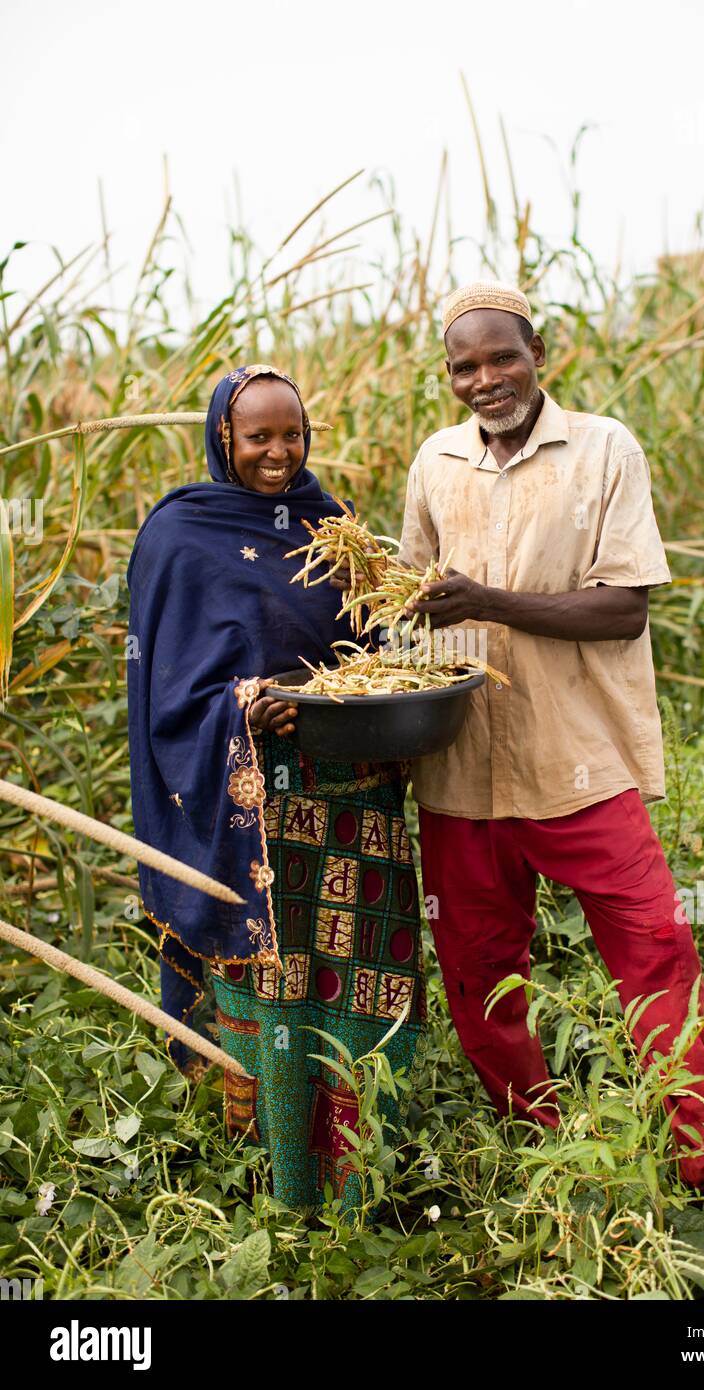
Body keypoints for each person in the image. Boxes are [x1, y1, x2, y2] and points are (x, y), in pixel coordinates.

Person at [398, 282, 704, 1196]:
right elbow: (405, 608)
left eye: (501, 356)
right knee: (479, 978)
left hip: (580, 767)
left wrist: (489, 603)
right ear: (449, 376)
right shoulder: (434, 462)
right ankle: (544, 1151)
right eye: (464, 366)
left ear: (538, 351)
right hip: (461, 772)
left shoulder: (602, 449)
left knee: (657, 959)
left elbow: (624, 610)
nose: (485, 379)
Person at [126, 364, 427, 1215]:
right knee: (277, 978)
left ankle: (361, 1173)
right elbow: (166, 690)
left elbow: (378, 638)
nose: (278, 453)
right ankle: (280, 1175)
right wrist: (247, 706)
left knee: (358, 970)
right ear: (224, 437)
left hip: (354, 796)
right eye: (258, 437)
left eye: (292, 434)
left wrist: (389, 673)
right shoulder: (181, 535)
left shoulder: (332, 523)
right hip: (257, 810)